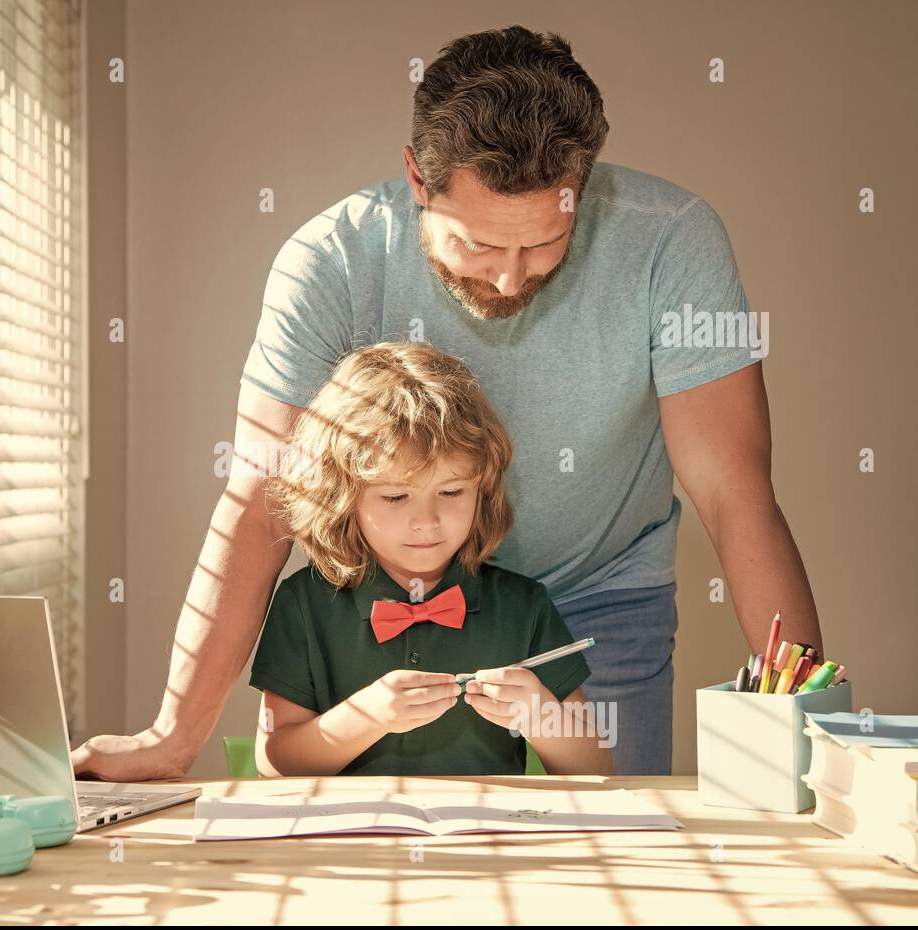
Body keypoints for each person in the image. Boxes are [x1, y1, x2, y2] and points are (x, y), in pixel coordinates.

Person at [73, 25, 821, 780]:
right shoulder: (328, 262)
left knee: (613, 833)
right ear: (417, 179)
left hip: (602, 598)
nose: (510, 279)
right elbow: (264, 496)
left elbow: (734, 491)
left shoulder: (674, 242)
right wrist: (172, 740)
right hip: (383, 596)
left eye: (544, 243)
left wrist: (808, 727)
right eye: (479, 245)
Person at [250, 341, 611, 777]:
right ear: (341, 496)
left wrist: (541, 717)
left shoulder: (524, 606)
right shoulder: (303, 605)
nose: (427, 521)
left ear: (484, 489)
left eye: (452, 492)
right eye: (395, 496)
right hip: (351, 823)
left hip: (486, 821)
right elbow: (275, 763)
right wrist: (364, 719)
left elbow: (596, 767)